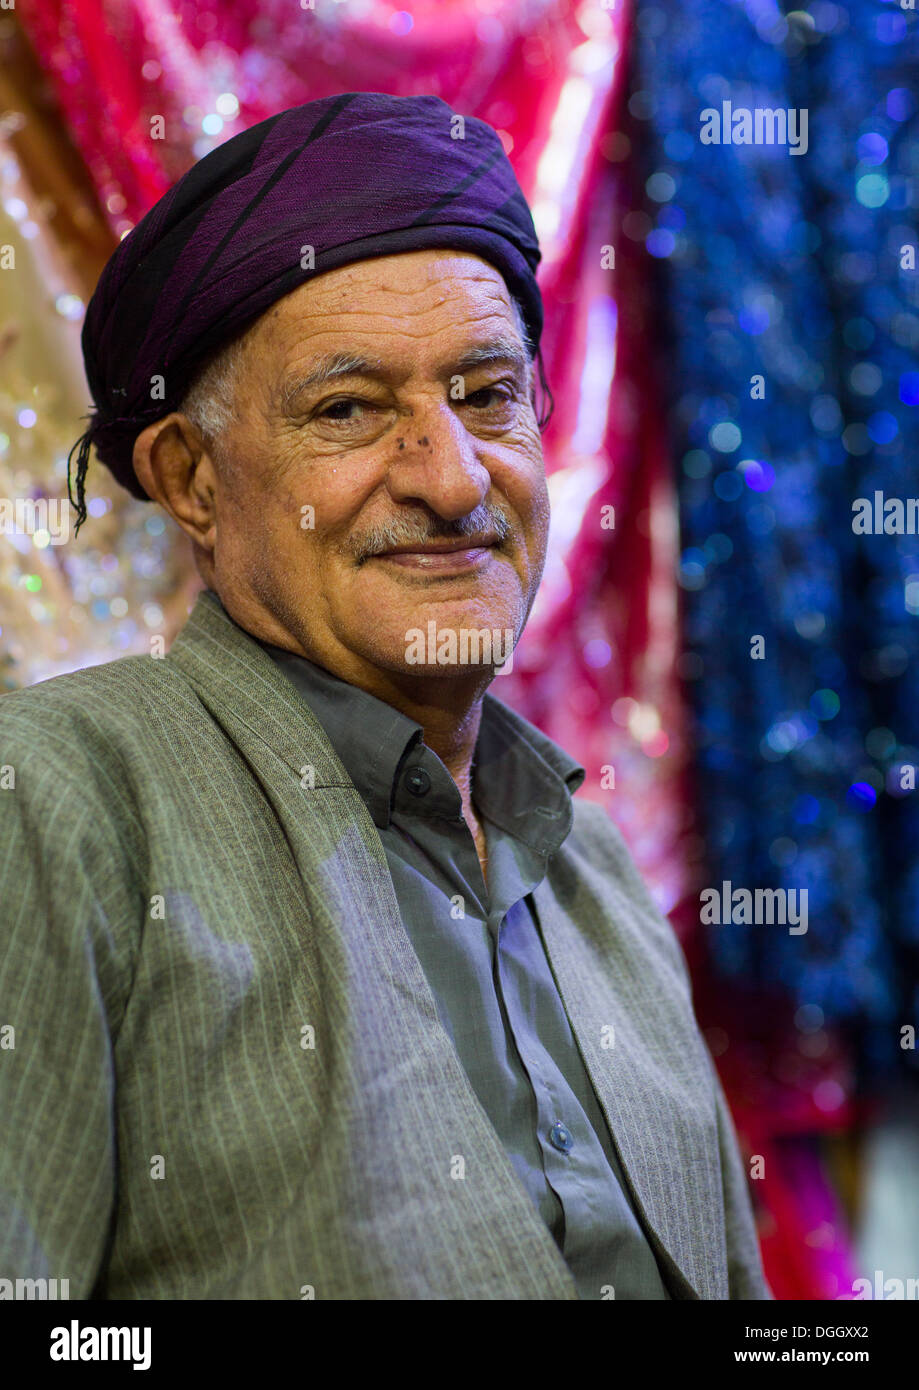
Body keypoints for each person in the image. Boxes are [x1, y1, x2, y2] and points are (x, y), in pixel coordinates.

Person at [0, 92, 770, 1300]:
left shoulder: (591, 866)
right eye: (348, 409)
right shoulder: (55, 800)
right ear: (191, 480)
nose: (453, 479)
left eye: (485, 394)